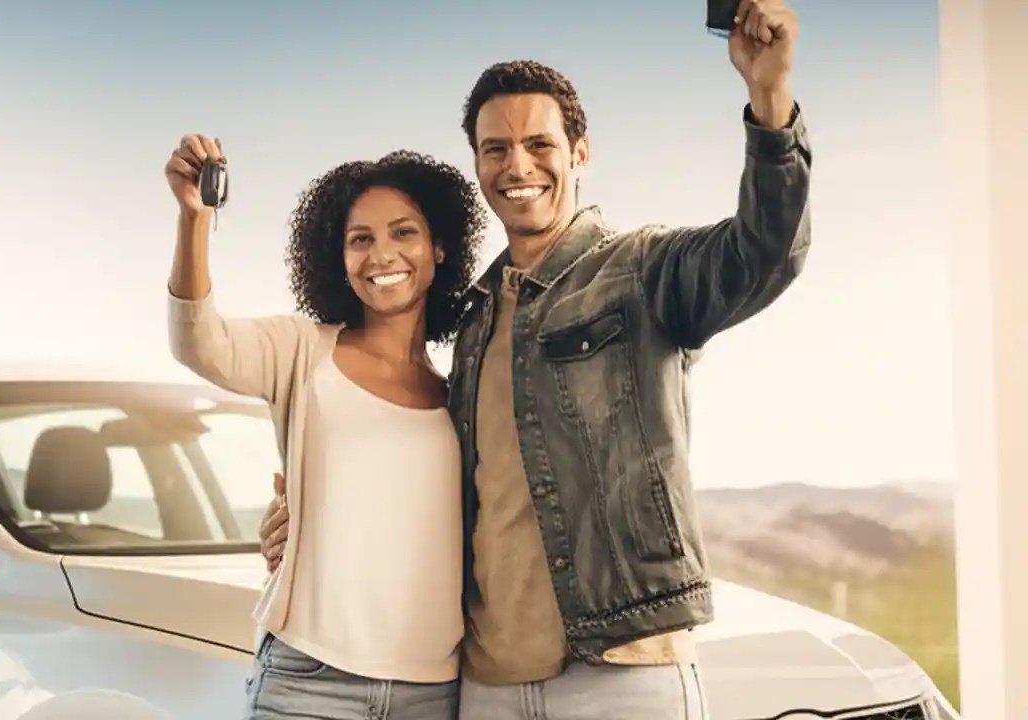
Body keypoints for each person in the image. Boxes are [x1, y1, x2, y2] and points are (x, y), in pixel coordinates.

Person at [258, 1, 812, 717]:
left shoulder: (641, 270)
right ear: (479, 166)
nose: (518, 166)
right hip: (487, 678)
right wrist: (305, 522)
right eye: (495, 149)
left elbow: (764, 253)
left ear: (579, 153)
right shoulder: (473, 321)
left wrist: (769, 101)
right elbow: (438, 493)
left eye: (539, 144)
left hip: (621, 671)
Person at [164, 143, 484, 718]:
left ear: (439, 249)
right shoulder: (301, 351)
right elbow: (199, 341)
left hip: (432, 692)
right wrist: (195, 218)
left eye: (403, 233)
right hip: (309, 681)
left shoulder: (462, 394)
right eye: (360, 239)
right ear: (338, 258)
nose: (381, 254)